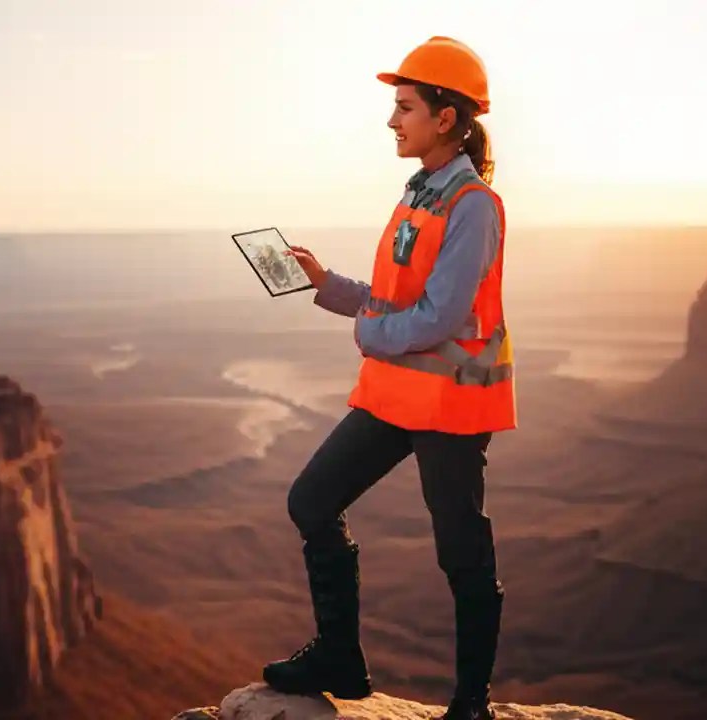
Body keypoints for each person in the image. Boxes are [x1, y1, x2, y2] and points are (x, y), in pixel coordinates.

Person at [261, 36, 516, 720]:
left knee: (460, 549)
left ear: (447, 118)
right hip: (399, 395)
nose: (392, 121)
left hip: (452, 403)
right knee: (312, 501)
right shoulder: (421, 191)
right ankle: (340, 656)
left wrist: (365, 332)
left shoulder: (472, 205)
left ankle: (471, 703)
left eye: (404, 107)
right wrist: (326, 285)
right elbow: (399, 293)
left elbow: (438, 317)